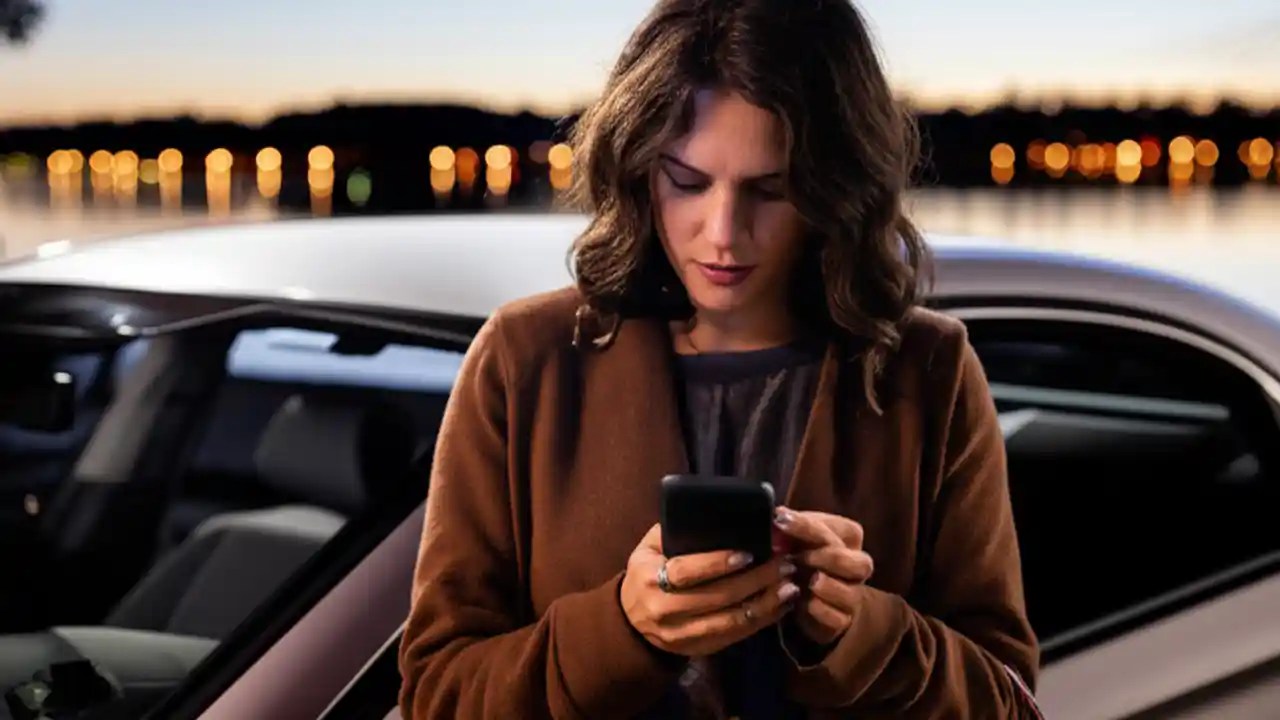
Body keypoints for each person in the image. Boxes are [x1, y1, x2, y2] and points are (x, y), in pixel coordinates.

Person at [398, 0, 1041, 717]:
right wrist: (620, 630)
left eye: (772, 189)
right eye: (688, 181)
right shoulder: (526, 363)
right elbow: (436, 695)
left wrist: (868, 636)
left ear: (834, 186)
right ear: (639, 169)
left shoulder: (930, 372)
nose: (725, 235)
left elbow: (1008, 702)